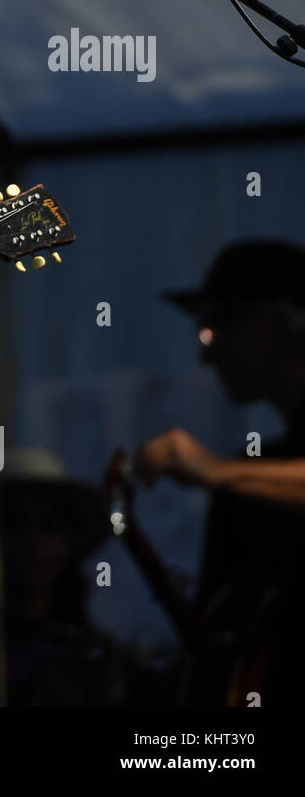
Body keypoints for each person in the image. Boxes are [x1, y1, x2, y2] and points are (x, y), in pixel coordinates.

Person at [135, 240, 305, 703]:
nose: (206, 358)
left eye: (213, 331)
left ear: (277, 322)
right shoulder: (255, 473)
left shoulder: (243, 476)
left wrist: (217, 471)